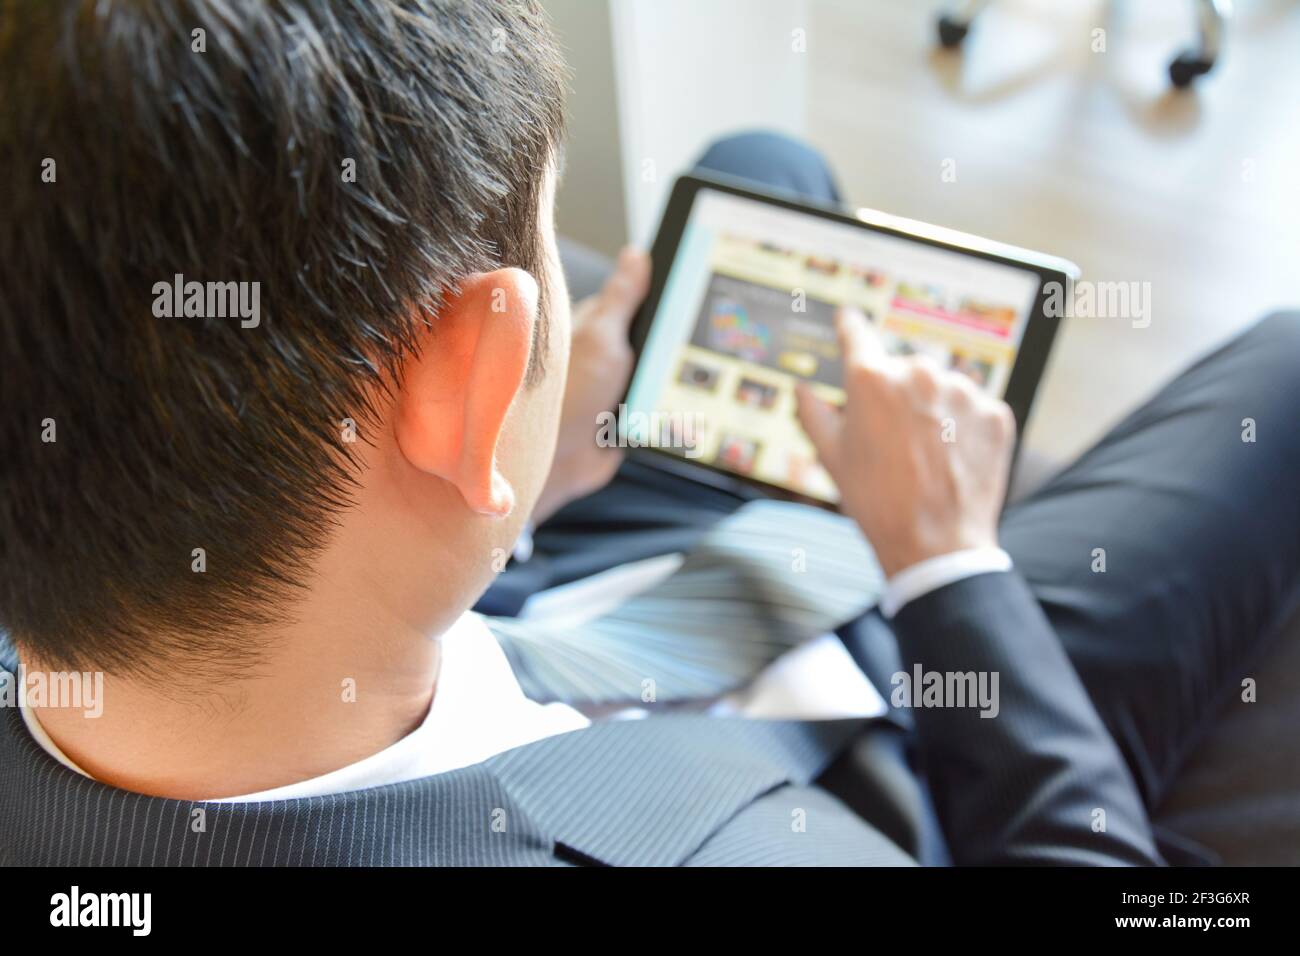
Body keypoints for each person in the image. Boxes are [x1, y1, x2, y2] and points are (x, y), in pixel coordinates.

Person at [1, 0, 1296, 867]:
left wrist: (519, 489)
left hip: (510, 586)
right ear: (476, 375)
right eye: (554, 248)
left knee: (761, 169)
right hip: (886, 731)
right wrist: (947, 561)